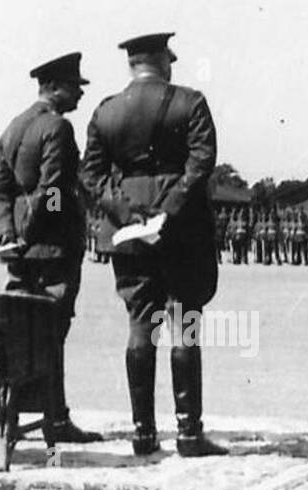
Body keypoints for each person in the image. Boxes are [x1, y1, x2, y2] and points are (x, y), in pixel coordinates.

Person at [81, 32, 227, 457]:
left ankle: (143, 432)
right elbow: (201, 163)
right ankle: (188, 433)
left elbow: (91, 176)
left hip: (129, 237)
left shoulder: (105, 111)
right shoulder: (191, 102)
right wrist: (169, 209)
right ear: (164, 62)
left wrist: (129, 214)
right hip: (184, 232)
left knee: (140, 326)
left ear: (132, 65)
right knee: (186, 326)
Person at [0, 51, 104, 443]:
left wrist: (8, 234)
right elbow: (52, 191)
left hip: (19, 253)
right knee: (52, 334)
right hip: (53, 248)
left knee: (22, 334)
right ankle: (55, 420)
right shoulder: (58, 128)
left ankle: (18, 413)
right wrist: (34, 230)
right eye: (75, 87)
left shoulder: (12, 128)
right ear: (55, 87)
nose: (79, 95)